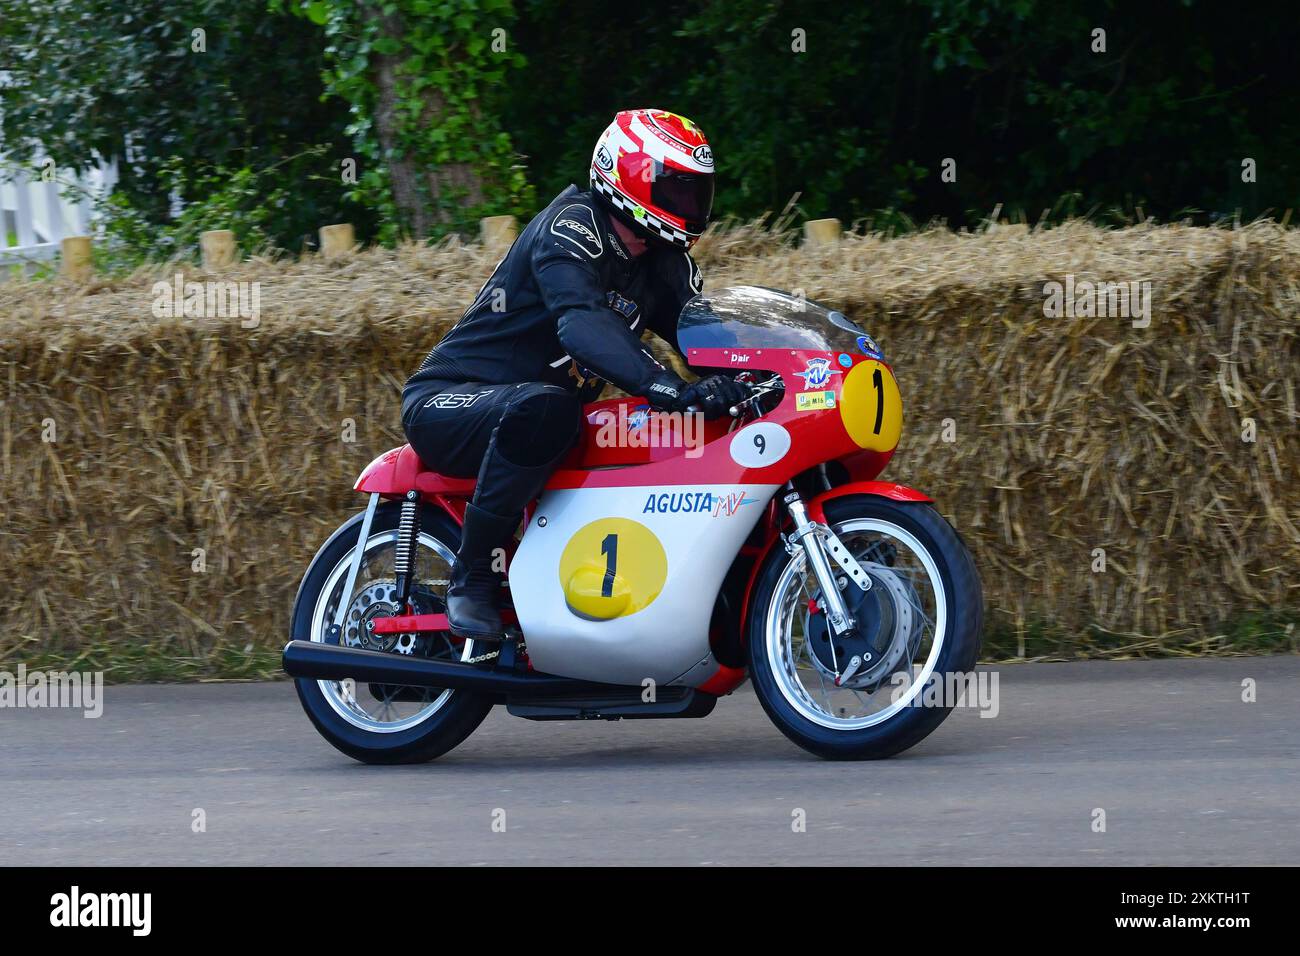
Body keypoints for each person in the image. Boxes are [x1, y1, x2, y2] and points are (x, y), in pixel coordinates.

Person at [401, 108, 748, 642]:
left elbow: (704, 336)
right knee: (550, 409)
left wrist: (754, 380)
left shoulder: (663, 262)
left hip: (541, 418)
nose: (690, 207)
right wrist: (668, 388)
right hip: (450, 400)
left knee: (611, 425)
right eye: (676, 190)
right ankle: (471, 580)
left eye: (696, 193)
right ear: (628, 179)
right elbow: (582, 324)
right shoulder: (571, 227)